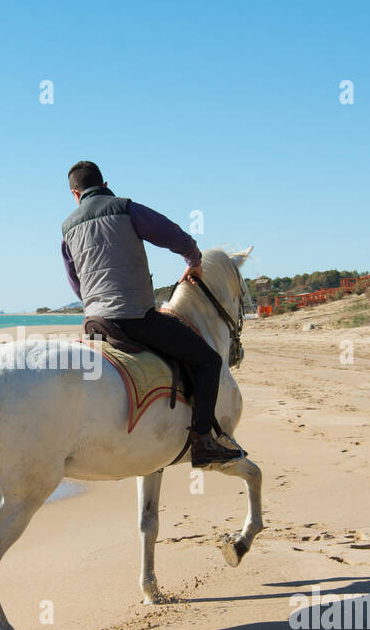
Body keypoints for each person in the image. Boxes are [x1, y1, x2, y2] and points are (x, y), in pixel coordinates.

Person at [60, 160, 245, 467]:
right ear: (105, 186)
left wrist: (96, 303)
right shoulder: (124, 208)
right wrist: (193, 259)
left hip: (95, 323)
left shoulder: (67, 228)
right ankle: (203, 441)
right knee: (208, 360)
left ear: (75, 195)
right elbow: (173, 235)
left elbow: (75, 281)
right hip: (135, 318)